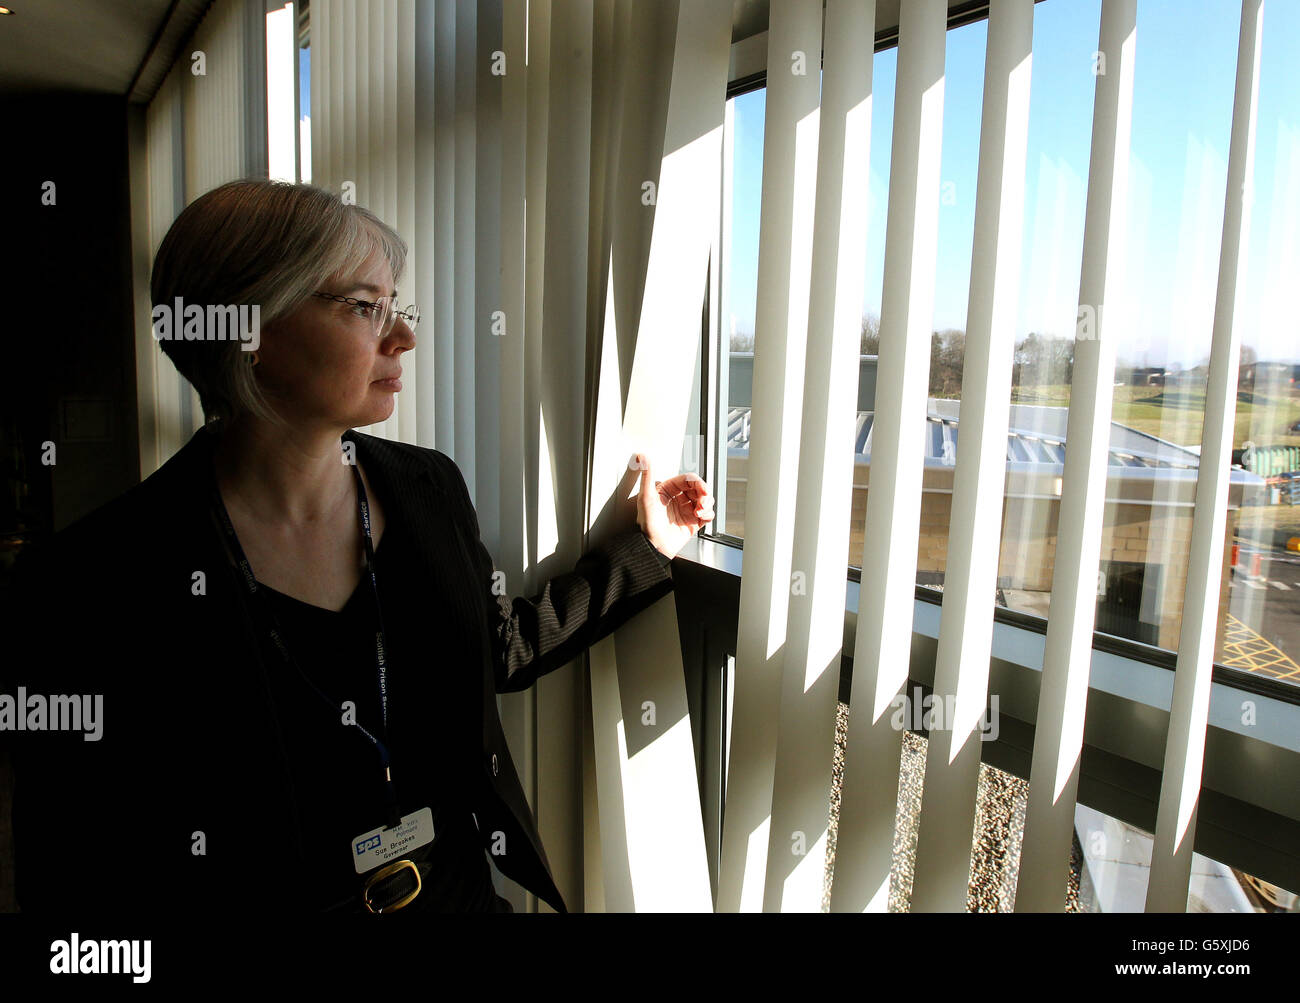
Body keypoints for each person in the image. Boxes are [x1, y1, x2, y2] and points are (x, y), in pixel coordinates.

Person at [6, 178, 714, 915]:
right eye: (363, 307)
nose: (402, 335)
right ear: (248, 328)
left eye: (394, 306)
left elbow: (494, 645)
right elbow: (74, 873)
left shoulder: (427, 489)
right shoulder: (89, 581)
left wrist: (646, 548)